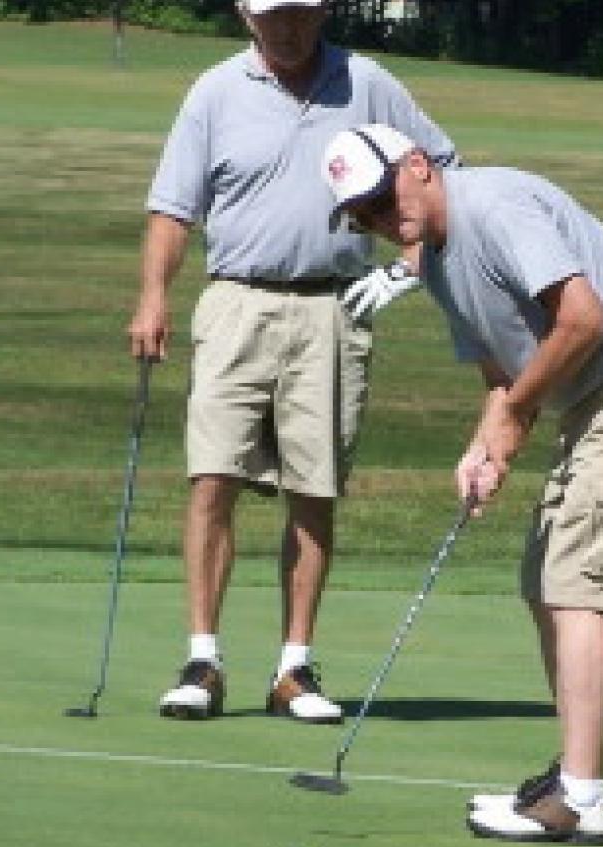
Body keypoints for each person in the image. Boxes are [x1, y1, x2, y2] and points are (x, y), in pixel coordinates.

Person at [321, 123, 603, 845]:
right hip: (598, 402)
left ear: (418, 165)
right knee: (546, 579)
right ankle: (573, 774)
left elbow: (582, 321)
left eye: (385, 198)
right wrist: (486, 446)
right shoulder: (439, 267)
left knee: (577, 584)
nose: (384, 220)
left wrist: (515, 413)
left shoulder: (494, 205)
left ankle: (582, 797)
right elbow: (504, 374)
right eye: (365, 217)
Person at [128, 0, 458, 724]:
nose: (290, 26)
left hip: (335, 309)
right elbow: (172, 210)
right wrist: (153, 297)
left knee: (316, 487)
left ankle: (294, 670)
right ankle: (203, 660)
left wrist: (407, 269)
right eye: (276, 13)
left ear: (324, 10)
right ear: (247, 13)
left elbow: (441, 175)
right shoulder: (214, 92)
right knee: (213, 476)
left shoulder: (367, 83)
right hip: (237, 302)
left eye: (303, 11)